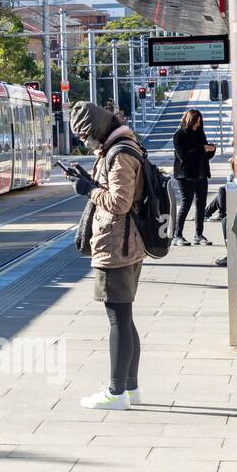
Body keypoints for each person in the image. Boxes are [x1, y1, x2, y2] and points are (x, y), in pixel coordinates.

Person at [67, 101, 147, 411]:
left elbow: (119, 202)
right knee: (124, 318)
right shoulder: (123, 146)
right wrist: (90, 181)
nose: (87, 143)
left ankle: (116, 393)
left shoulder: (120, 153)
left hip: (117, 245)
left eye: (87, 136)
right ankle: (131, 387)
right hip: (124, 242)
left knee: (118, 319)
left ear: (99, 129)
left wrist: (87, 189)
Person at [172, 108, 215, 246]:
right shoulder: (179, 135)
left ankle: (199, 235)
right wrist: (202, 148)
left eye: (200, 122)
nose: (198, 125)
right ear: (189, 121)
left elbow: (204, 155)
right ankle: (177, 235)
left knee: (201, 205)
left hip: (201, 174)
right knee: (186, 204)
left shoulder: (200, 134)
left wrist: (210, 150)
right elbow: (183, 156)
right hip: (186, 175)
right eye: (196, 122)